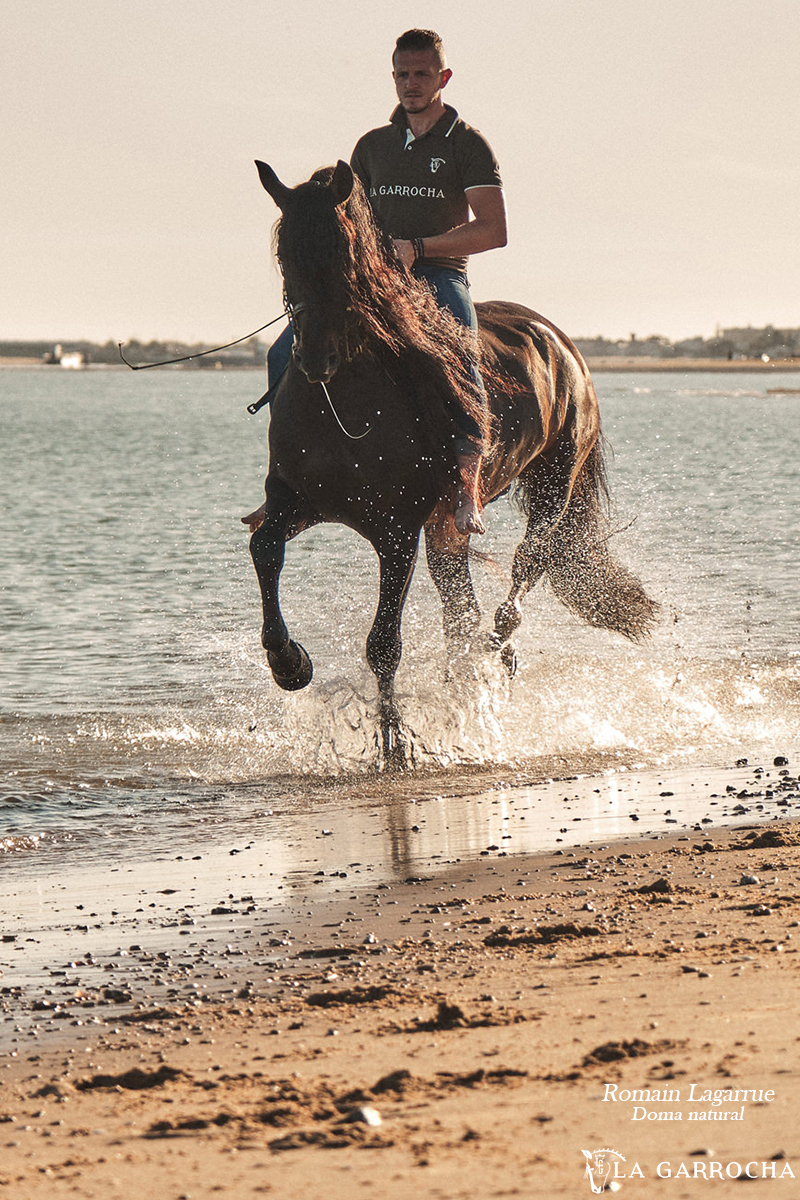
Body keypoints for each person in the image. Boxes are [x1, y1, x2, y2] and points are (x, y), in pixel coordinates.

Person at [244, 28, 506, 535]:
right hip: (374, 279)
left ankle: (466, 487)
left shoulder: (468, 145)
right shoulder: (371, 146)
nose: (411, 84)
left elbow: (493, 231)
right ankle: (283, 484)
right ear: (393, 78)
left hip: (438, 275)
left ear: (443, 78)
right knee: (283, 352)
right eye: (403, 75)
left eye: (422, 75)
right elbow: (351, 216)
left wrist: (421, 249)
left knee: (461, 353)